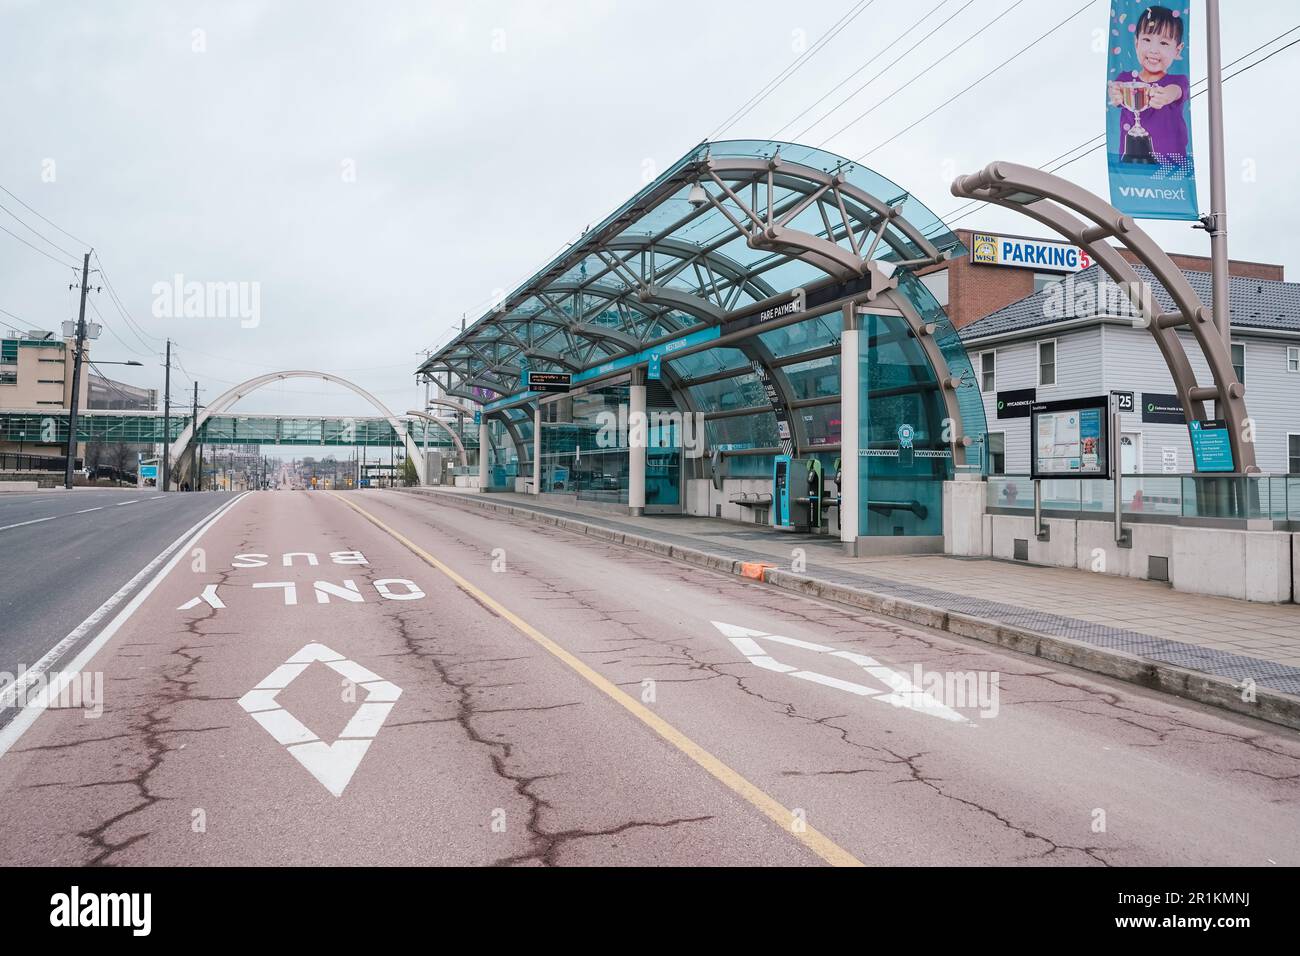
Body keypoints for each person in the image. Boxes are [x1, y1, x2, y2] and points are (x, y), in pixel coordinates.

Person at [1107, 6, 1190, 165]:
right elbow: (1115, 90)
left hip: (1172, 167)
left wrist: (1165, 95)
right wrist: (1116, 92)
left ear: (1177, 50)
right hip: (1132, 168)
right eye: (1147, 40)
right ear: (1136, 42)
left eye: (1164, 43)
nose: (1153, 50)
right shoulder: (1125, 79)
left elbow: (1177, 91)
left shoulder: (1178, 81)